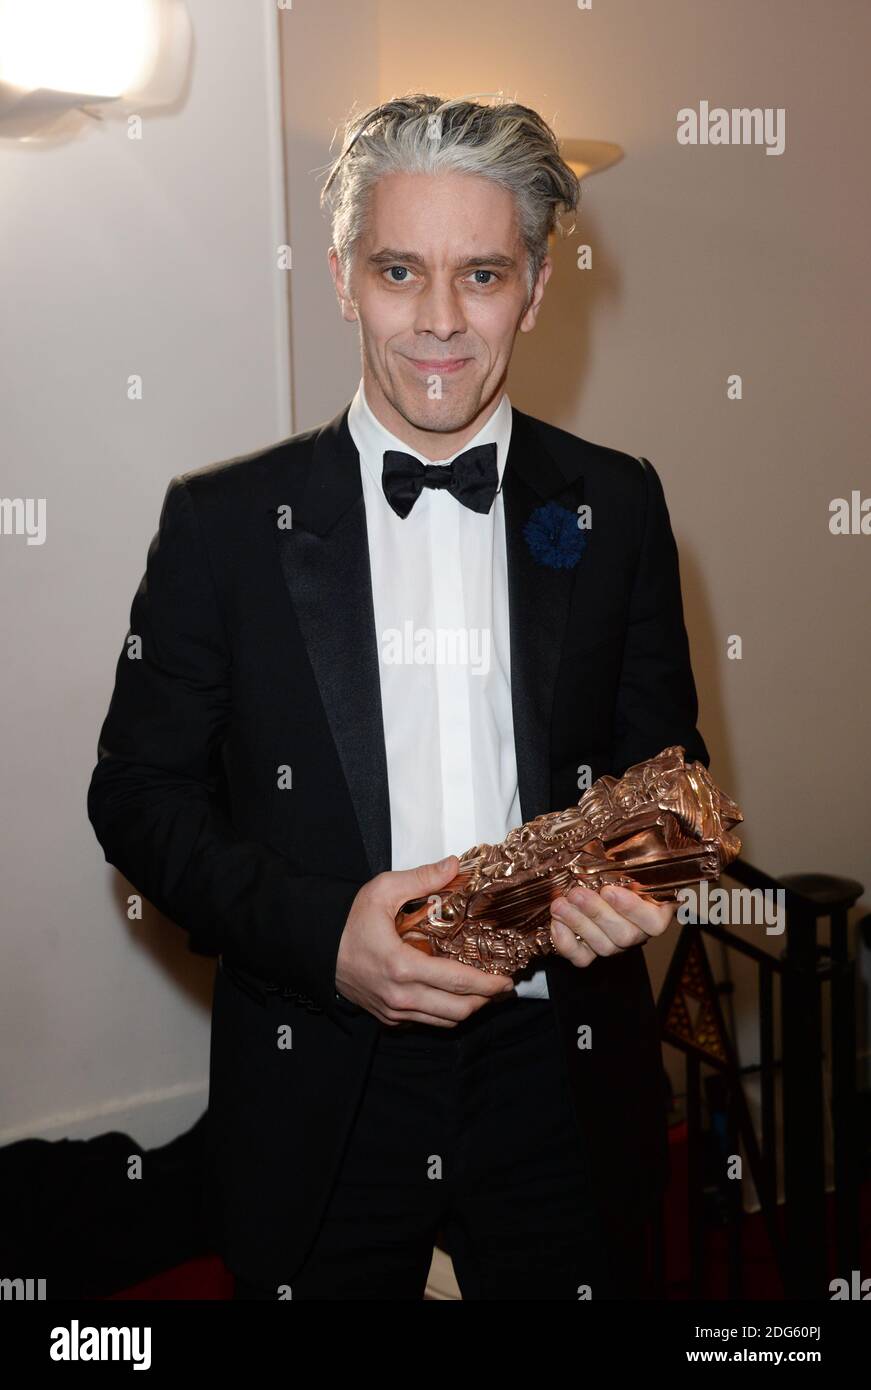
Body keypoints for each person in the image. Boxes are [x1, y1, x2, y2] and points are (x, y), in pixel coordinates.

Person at [87, 93, 709, 1301]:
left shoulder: (618, 502)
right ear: (341, 278)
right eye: (397, 270)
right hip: (321, 1074)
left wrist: (639, 879)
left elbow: (660, 764)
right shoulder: (220, 525)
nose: (437, 320)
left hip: (562, 1072)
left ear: (533, 289)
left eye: (480, 274)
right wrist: (323, 937)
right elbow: (136, 796)